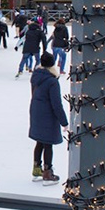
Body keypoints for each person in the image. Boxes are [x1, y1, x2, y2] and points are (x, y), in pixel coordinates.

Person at [29, 52, 68, 185]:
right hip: (47, 114)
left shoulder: (36, 76)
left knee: (40, 141)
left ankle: (36, 169)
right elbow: (56, 104)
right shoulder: (52, 81)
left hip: (36, 111)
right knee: (48, 143)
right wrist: (64, 122)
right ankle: (47, 172)